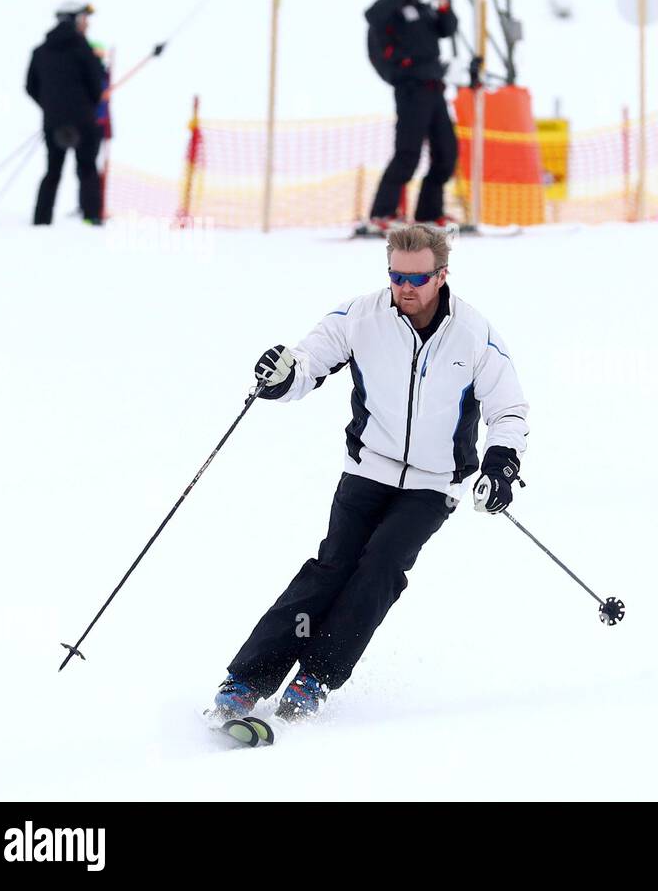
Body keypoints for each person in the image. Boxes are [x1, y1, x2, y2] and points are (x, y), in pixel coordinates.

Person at [211, 224, 529, 722]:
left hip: (431, 484)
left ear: (442, 276)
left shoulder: (474, 334)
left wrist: (501, 464)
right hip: (368, 467)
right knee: (332, 569)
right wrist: (283, 373)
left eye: (418, 278)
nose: (406, 287)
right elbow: (310, 361)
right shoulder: (362, 317)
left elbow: (508, 410)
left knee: (380, 567)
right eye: (396, 275)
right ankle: (248, 680)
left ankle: (316, 676)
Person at [362, 0, 459, 233]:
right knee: (408, 154)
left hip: (434, 87)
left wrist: (443, 4)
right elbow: (372, 16)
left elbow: (447, 29)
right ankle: (382, 213)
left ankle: (430, 213)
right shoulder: (388, 4)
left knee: (447, 152)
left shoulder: (422, 6)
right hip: (410, 89)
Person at [25, 1, 107, 226]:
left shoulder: (41, 51)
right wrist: (87, 106)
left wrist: (51, 107)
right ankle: (92, 218)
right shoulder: (83, 50)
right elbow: (96, 84)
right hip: (83, 121)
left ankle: (41, 220)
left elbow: (30, 87)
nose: (87, 24)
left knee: (52, 171)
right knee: (88, 168)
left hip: (53, 122)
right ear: (74, 20)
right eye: (84, 19)